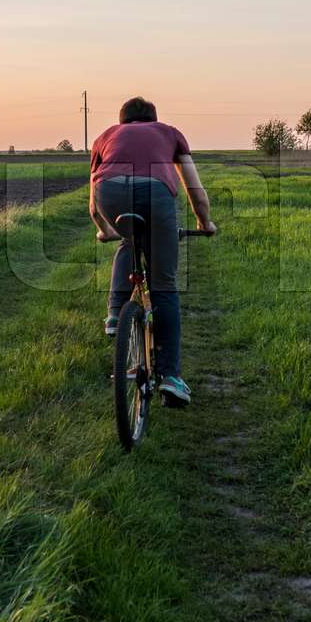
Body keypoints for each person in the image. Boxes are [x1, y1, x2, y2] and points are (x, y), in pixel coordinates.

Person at [90, 96, 216, 406]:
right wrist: (204, 222)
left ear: (123, 122)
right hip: (156, 194)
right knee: (164, 286)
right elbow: (194, 190)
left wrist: (104, 229)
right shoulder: (169, 133)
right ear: (154, 119)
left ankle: (115, 315)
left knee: (128, 240)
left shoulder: (106, 137)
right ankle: (171, 377)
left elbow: (93, 200)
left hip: (110, 193)